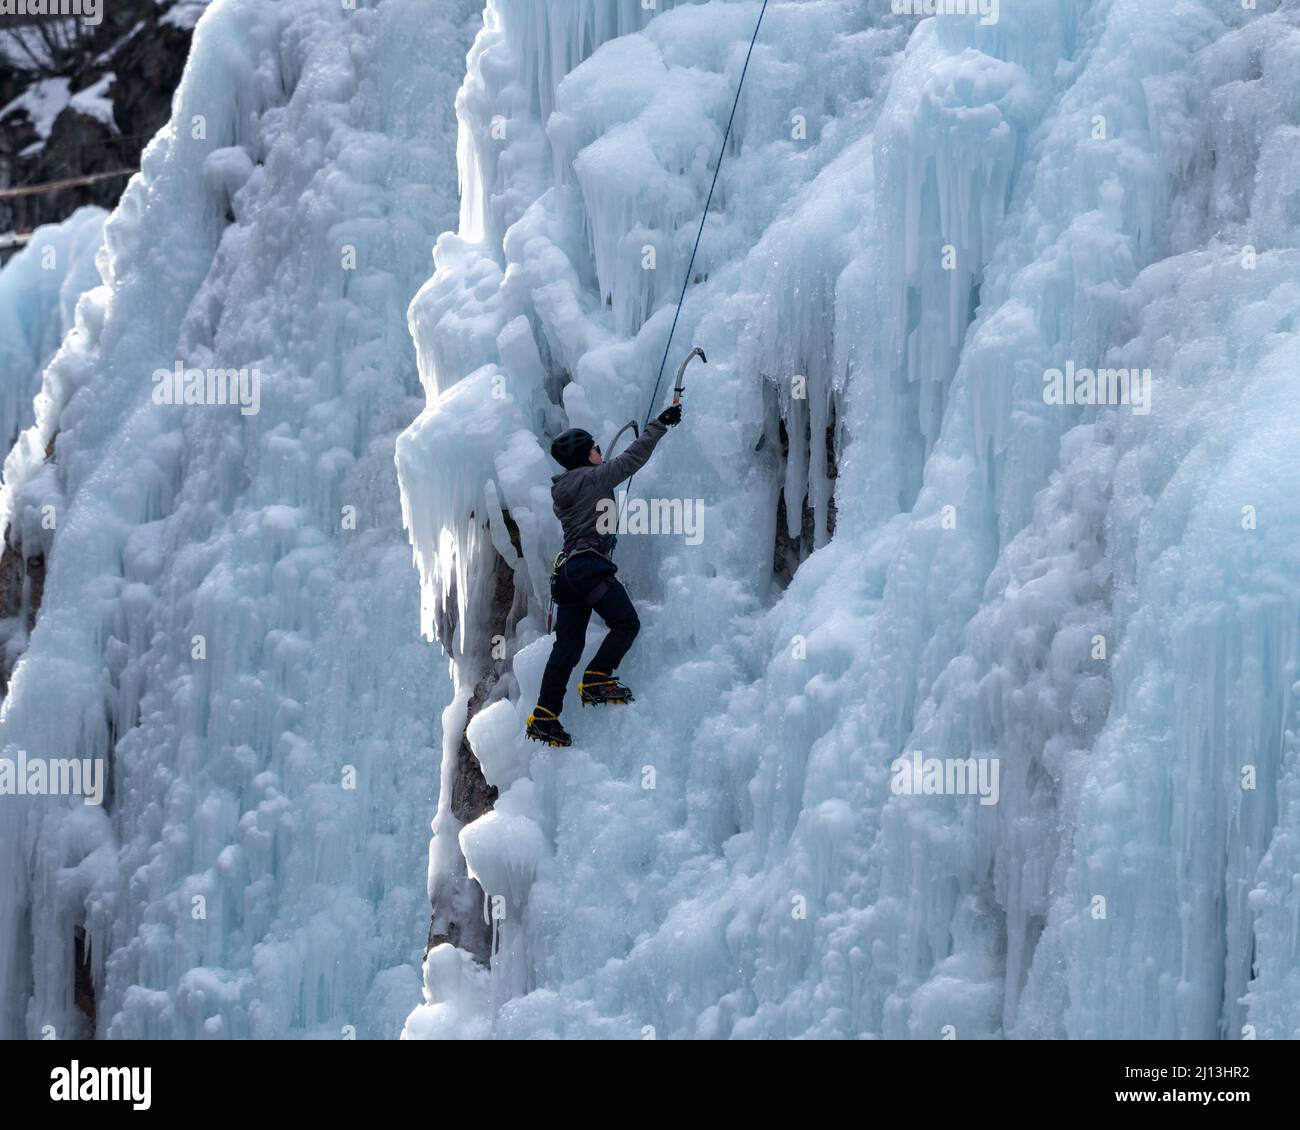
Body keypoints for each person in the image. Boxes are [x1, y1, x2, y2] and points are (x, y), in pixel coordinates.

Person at [526, 402, 684, 746]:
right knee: (626, 623)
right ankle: (597, 677)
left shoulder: (565, 489)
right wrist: (660, 424)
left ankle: (544, 716)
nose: (600, 451)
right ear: (587, 455)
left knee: (567, 647)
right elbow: (631, 460)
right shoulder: (594, 477)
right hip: (588, 568)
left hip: (566, 576)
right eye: (596, 448)